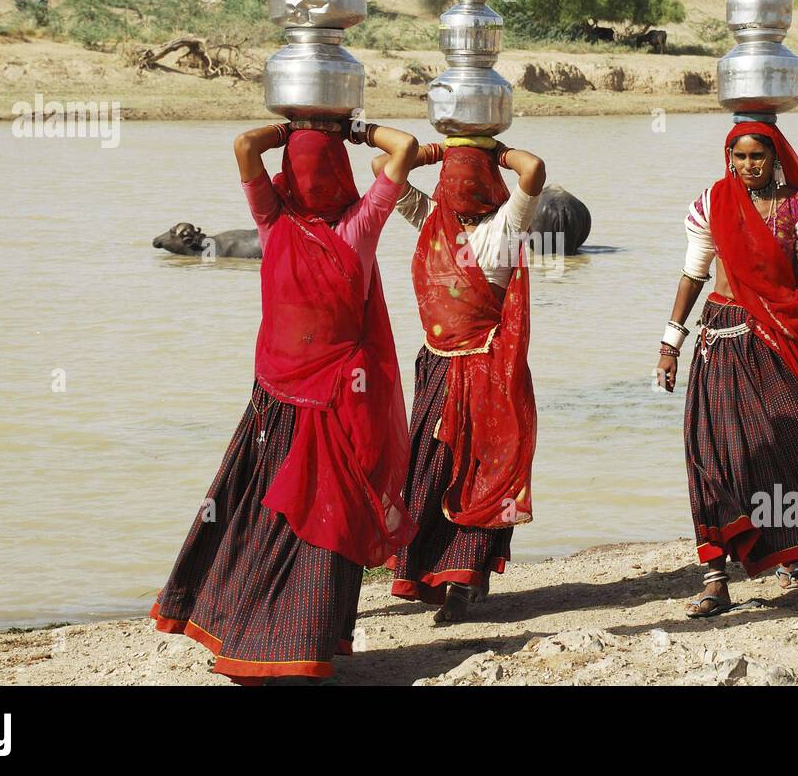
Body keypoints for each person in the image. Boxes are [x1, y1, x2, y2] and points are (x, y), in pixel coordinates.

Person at [149, 117, 420, 682]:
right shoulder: (361, 224)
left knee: (259, 510)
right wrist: (355, 129)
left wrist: (291, 126)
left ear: (285, 177)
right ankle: (308, 643)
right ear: (343, 174)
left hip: (273, 400)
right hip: (339, 403)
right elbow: (407, 147)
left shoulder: (272, 219)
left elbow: (243, 143)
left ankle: (244, 629)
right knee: (329, 515)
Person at [654, 121, 798, 618]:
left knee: (797, 442)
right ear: (728, 157)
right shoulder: (711, 204)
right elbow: (693, 274)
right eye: (740, 156)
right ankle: (715, 575)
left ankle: (793, 548)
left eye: (758, 156)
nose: (749, 166)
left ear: (776, 158)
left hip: (777, 340)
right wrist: (670, 341)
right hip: (720, 339)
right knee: (712, 453)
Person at [373, 136, 546, 623]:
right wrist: (445, 150)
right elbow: (382, 164)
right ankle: (432, 571)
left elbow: (532, 167)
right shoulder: (431, 217)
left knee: (485, 473)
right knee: (430, 467)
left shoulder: (506, 225)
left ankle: (467, 582)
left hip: (489, 367)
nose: (462, 187)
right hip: (437, 365)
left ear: (490, 182)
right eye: (454, 176)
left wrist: (487, 149)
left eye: (473, 176)